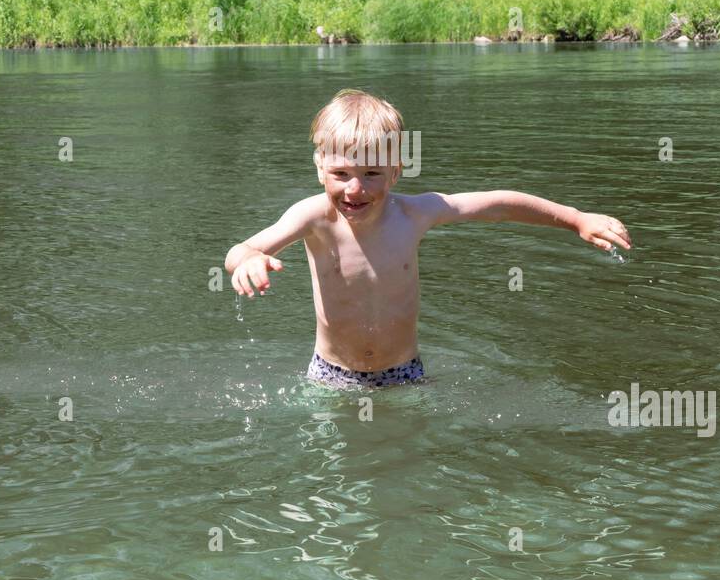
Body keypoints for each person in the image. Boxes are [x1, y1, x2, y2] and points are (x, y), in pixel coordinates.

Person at [223, 89, 631, 389]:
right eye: (341, 174)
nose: (355, 189)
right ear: (320, 170)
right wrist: (248, 261)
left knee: (407, 462)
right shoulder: (313, 217)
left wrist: (576, 219)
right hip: (331, 374)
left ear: (396, 172)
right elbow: (241, 249)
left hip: (405, 373)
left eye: (372, 175)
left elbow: (497, 205)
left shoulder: (413, 214)